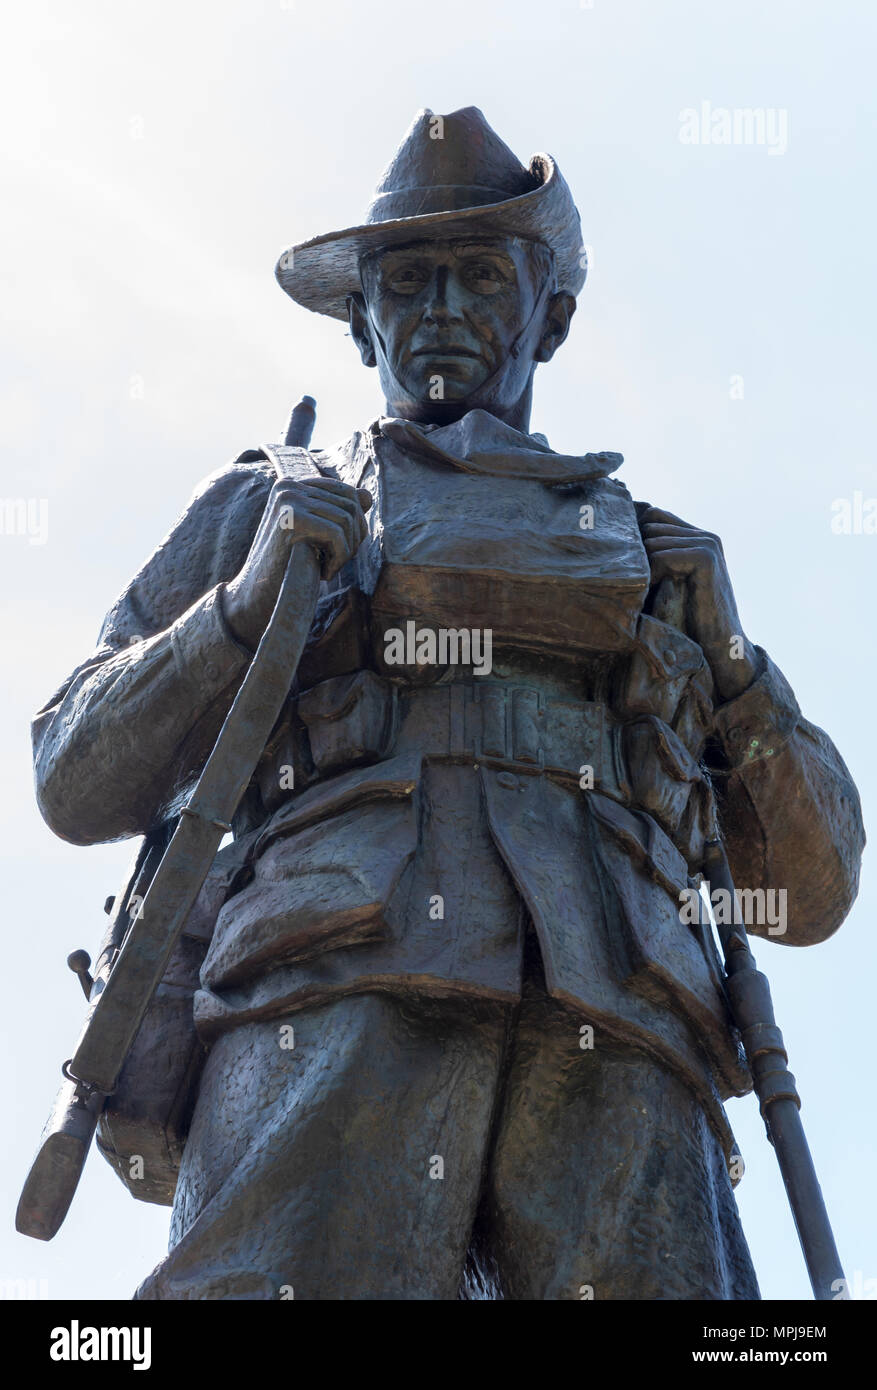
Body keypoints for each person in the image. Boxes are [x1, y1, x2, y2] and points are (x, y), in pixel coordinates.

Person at [33, 108, 864, 1300]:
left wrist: (731, 663)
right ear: (361, 315)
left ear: (552, 313)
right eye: (407, 279)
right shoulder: (271, 507)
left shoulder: (654, 559)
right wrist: (239, 605)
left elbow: (815, 887)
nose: (439, 311)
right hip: (327, 999)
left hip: (621, 1029)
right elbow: (73, 772)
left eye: (481, 276)